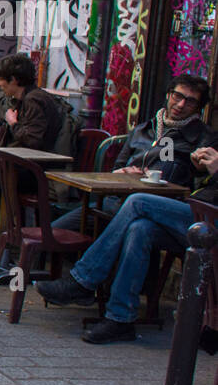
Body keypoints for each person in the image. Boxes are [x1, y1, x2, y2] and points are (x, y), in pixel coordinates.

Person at [37, 145, 218, 344]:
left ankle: (83, 281)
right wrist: (198, 167)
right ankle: (120, 318)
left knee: (137, 202)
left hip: (209, 222)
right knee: (139, 229)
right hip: (197, 212)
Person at [51, 75, 212, 232]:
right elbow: (117, 168)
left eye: (190, 102)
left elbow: (201, 186)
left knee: (135, 228)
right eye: (177, 96)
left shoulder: (202, 138)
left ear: (198, 108)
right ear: (169, 95)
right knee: (55, 230)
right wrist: (123, 173)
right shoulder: (143, 130)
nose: (181, 104)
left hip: (154, 206)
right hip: (116, 200)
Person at [0, 54, 74, 239]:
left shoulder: (34, 101)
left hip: (39, 172)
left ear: (15, 80)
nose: (0, 83)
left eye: (2, 79)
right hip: (26, 167)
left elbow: (33, 141)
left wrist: (13, 123)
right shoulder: (23, 99)